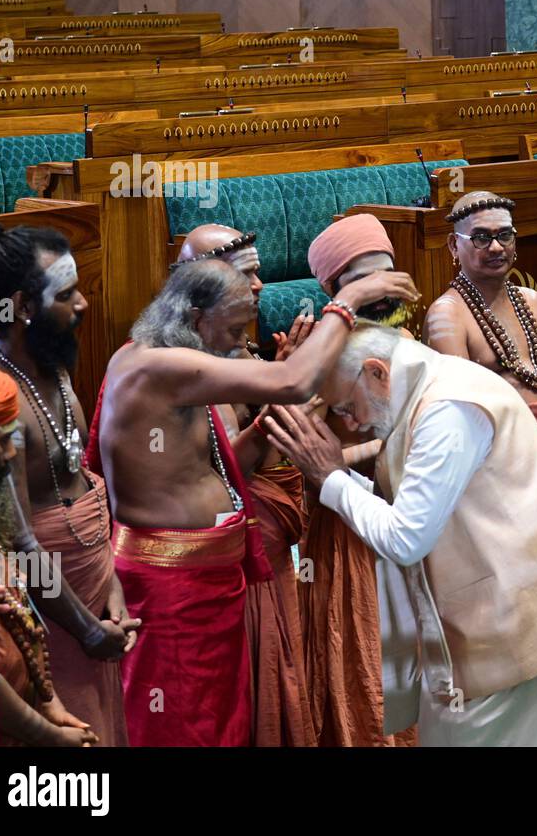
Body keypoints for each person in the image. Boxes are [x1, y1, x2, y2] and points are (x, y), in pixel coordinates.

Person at [93, 258, 415, 746]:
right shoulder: (158, 363)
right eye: (233, 329)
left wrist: (275, 416)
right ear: (197, 318)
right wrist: (347, 303)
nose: (238, 344)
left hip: (211, 580)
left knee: (225, 720)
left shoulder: (183, 359)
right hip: (172, 585)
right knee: (179, 723)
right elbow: (294, 381)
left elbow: (226, 466)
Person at [259, 325, 537, 746]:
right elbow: (411, 508)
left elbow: (405, 538)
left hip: (530, 614)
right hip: (515, 608)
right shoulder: (426, 389)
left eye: (346, 407)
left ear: (376, 372)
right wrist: (341, 479)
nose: (351, 423)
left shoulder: (447, 407)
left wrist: (331, 478)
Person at [0, 223, 137, 747]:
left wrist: (110, 585)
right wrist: (87, 630)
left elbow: (82, 479)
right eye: (66, 295)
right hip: (56, 624)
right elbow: (18, 545)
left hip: (93, 604)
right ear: (22, 306)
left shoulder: (53, 361)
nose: (84, 304)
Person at [173, 223, 316, 747]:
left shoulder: (237, 348)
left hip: (275, 548)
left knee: (283, 675)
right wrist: (283, 392)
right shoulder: (183, 364)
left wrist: (281, 375)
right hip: (232, 557)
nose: (260, 287)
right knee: (251, 690)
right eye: (248, 275)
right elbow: (228, 470)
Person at [305, 212, 413, 745]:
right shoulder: (316, 356)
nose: (380, 295)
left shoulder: (407, 338)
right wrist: (384, 448)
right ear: (333, 292)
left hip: (412, 513)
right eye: (363, 283)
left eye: (386, 276)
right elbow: (306, 459)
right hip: (348, 527)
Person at [0, 364, 95, 747]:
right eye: (3, 440)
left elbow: (19, 624)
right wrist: (49, 736)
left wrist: (47, 699)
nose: (12, 454)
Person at [425, 192, 537, 486]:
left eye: (505, 235)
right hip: (505, 479)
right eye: (480, 238)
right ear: (454, 245)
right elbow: (467, 423)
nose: (495, 247)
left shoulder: (535, 303)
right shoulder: (447, 315)